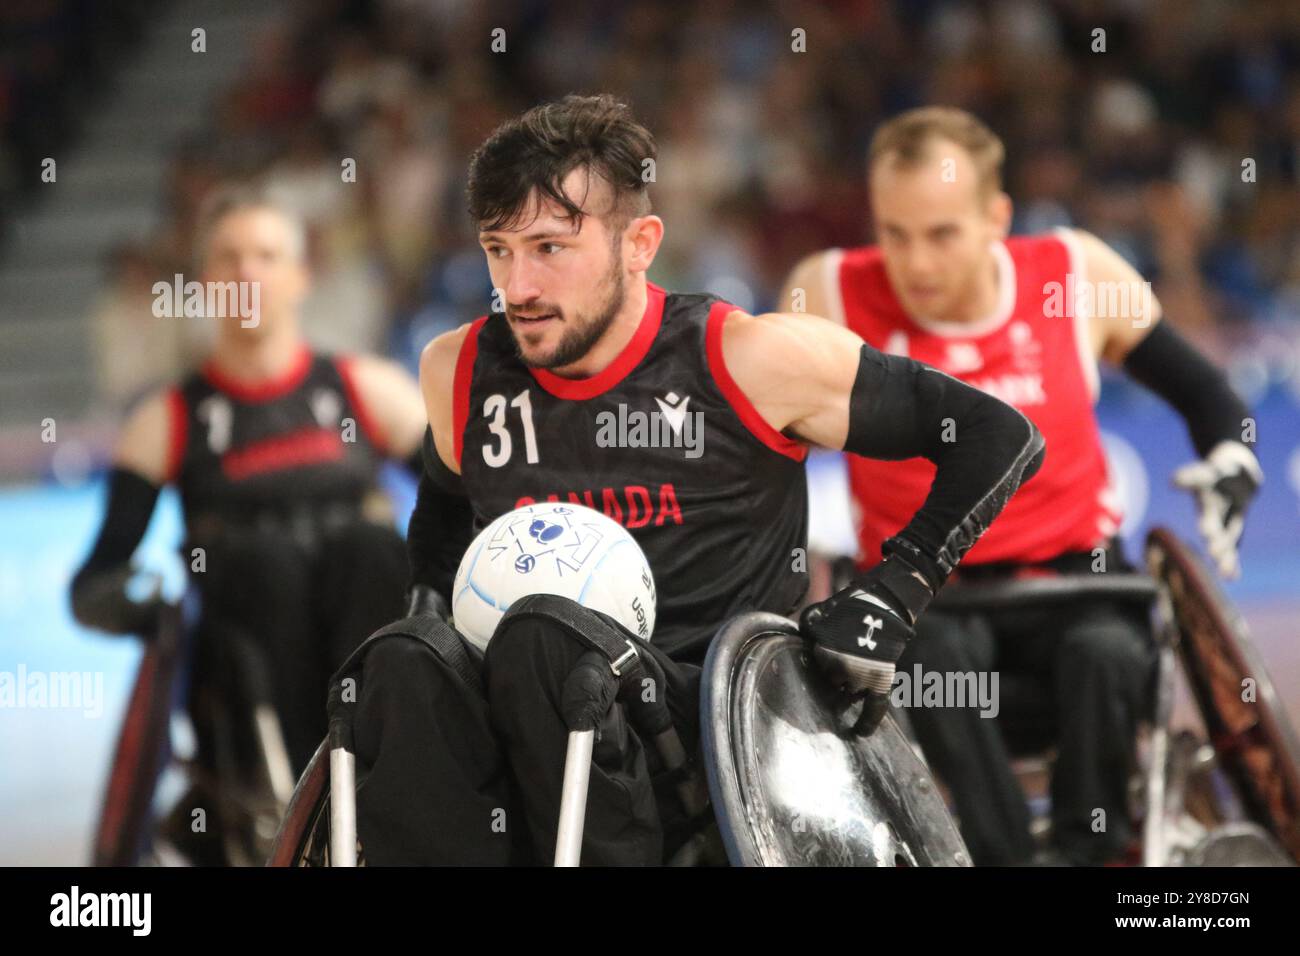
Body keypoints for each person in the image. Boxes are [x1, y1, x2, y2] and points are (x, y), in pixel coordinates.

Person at [352, 93, 1045, 866]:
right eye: (498, 249)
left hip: (714, 722)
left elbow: (998, 433)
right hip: (525, 714)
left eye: (551, 248)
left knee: (545, 638)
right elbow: (444, 519)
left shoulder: (747, 358)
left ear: (639, 242)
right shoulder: (459, 369)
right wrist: (425, 614)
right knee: (400, 659)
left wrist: (893, 593)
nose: (518, 287)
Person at [778, 106, 1262, 865]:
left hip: (1078, 585)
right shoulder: (830, 292)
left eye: (942, 233)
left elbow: (1206, 394)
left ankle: (1085, 855)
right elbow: (767, 434)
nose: (917, 262)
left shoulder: (1076, 273)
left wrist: (1234, 458)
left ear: (997, 216)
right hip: (929, 596)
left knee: (1103, 652)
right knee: (936, 654)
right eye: (894, 233)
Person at [70, 187, 428, 796]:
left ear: (300, 276)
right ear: (206, 280)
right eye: (229, 258)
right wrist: (138, 608)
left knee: (368, 548)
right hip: (243, 653)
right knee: (268, 565)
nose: (247, 272)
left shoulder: (369, 389)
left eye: (266, 255)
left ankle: (387, 782)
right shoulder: (166, 420)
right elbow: (95, 579)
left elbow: (470, 509)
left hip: (362, 610)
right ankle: (299, 799)